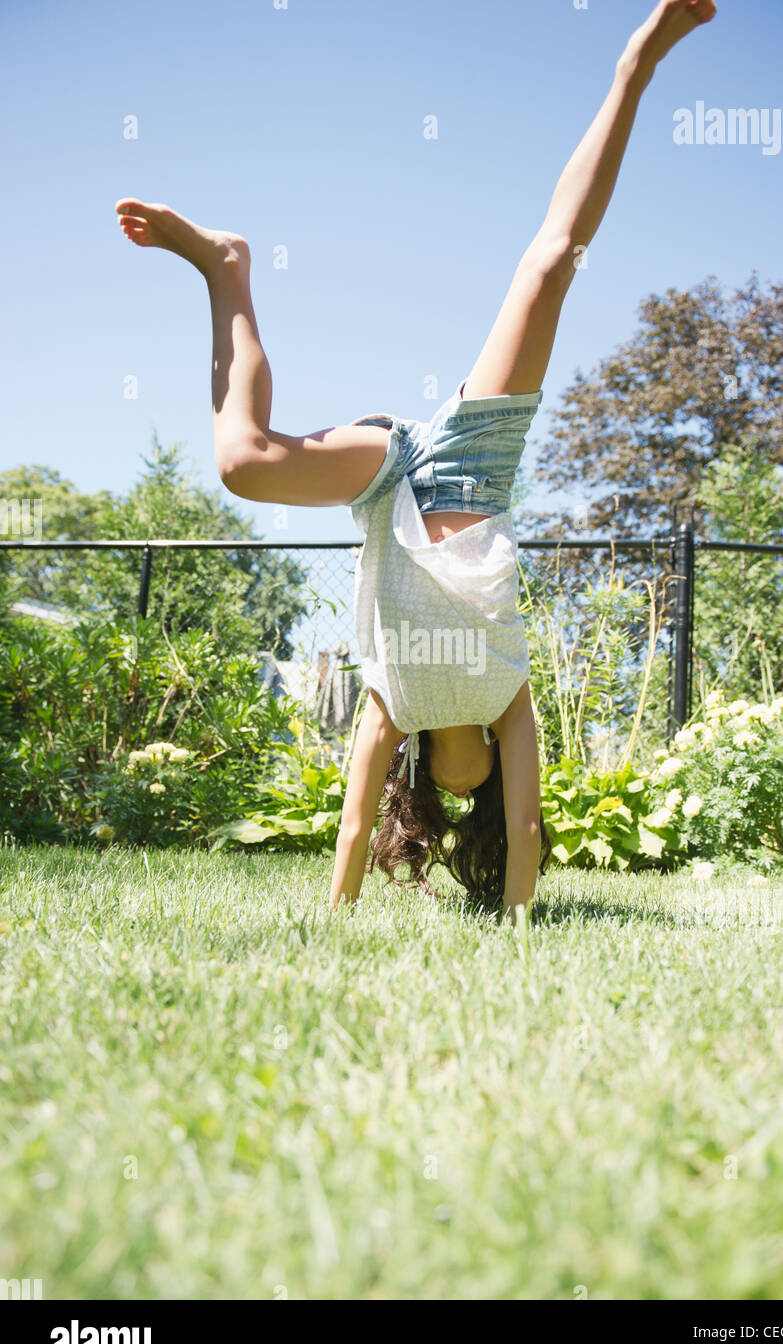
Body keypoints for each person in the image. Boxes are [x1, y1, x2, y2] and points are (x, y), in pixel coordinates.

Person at [114, 0, 717, 921]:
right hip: (476, 466)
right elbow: (524, 834)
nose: (474, 757)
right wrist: (518, 925)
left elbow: (352, 832)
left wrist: (336, 920)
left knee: (241, 464)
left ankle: (225, 271)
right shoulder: (506, 699)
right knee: (551, 264)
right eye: (485, 762)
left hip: (394, 478)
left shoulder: (391, 705)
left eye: (458, 761)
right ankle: (638, 59)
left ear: (431, 766)